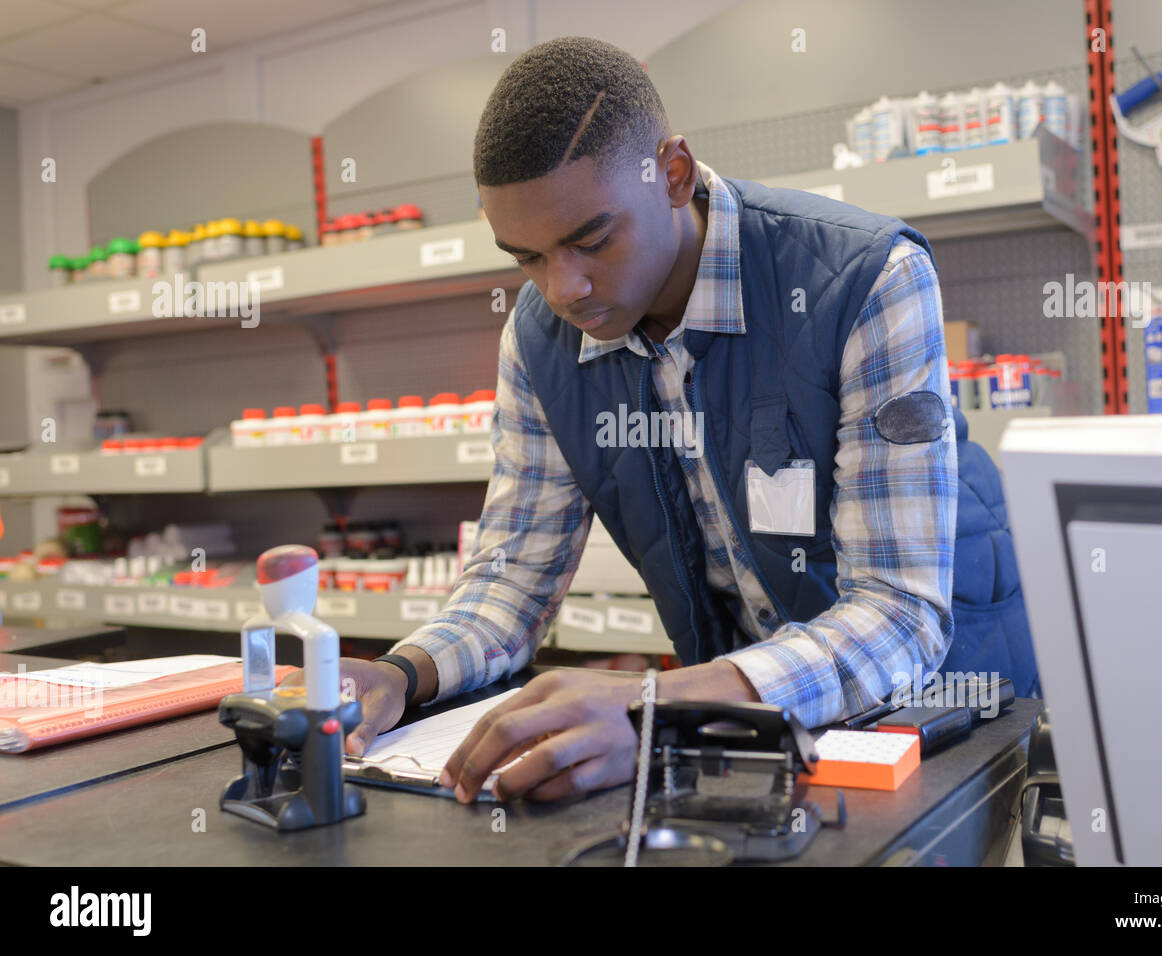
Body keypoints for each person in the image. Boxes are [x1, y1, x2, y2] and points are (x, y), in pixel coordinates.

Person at [320, 35, 1034, 804]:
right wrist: (400, 673)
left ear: (672, 174)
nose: (564, 287)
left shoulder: (866, 278)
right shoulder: (538, 340)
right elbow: (512, 581)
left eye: (591, 239)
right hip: (738, 722)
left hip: (947, 710)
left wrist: (660, 708)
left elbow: (898, 614)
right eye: (525, 257)